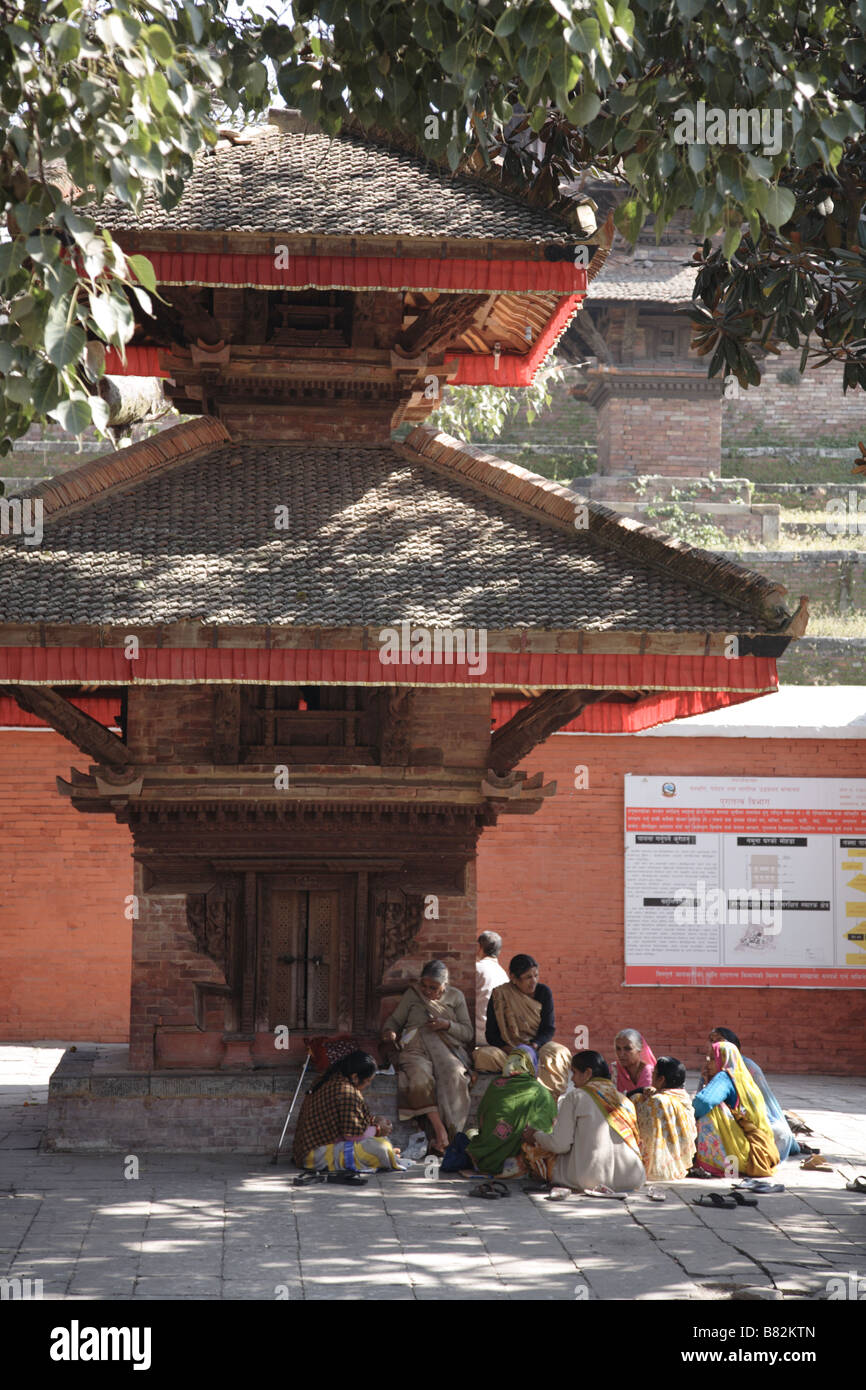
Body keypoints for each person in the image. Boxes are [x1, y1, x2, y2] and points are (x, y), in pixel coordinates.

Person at [521, 1050, 645, 1194]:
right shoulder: (625, 1101)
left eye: (573, 1072)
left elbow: (560, 1145)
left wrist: (536, 1135)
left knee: (536, 1153)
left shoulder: (576, 1097)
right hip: (633, 1177)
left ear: (587, 1073)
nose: (572, 1080)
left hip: (589, 1180)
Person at [381, 959, 473, 1154]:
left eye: (433, 987)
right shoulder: (413, 995)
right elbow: (395, 1020)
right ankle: (440, 1132)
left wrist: (446, 1025)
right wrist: (390, 1031)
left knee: (455, 1075)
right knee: (419, 1076)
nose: (427, 991)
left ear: (444, 986)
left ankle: (453, 1135)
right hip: (415, 1048)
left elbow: (468, 1033)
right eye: (424, 985)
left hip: (445, 1048)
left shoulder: (456, 997)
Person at [473, 953, 573, 1097]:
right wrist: (514, 1051)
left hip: (538, 1048)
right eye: (528, 977)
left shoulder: (543, 992)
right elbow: (491, 1035)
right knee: (482, 1055)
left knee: (558, 1053)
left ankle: (547, 1099)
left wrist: (534, 1046)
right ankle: (525, 1070)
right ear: (513, 978)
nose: (533, 981)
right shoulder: (499, 995)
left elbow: (548, 1028)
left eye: (536, 976)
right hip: (510, 1050)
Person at [291, 1051, 402, 1179]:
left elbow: (346, 1121)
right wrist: (377, 1129)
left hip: (307, 1151)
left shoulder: (330, 1078)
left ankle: (388, 1156)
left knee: (382, 1143)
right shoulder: (346, 1092)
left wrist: (373, 1122)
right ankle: (388, 1157)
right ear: (355, 1077)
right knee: (380, 1148)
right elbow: (353, 1136)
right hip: (316, 1155)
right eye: (367, 1081)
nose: (368, 1085)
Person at [464, 1045, 556, 1178]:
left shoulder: (496, 1084)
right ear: (531, 1065)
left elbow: (482, 1116)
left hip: (484, 1156)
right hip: (519, 1159)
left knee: (470, 1134)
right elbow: (547, 1128)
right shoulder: (540, 1091)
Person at [708, 1026, 799, 1161]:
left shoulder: (749, 1067)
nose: (715, 1044)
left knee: (781, 1134)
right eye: (711, 1040)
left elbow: (764, 1101)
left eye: (720, 1040)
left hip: (749, 1118)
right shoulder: (710, 1066)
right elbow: (704, 1099)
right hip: (726, 1120)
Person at [692, 1040, 779, 1178]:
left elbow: (703, 1102)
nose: (707, 1064)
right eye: (707, 1059)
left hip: (744, 1155)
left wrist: (686, 1118)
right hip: (763, 1151)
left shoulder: (725, 1076)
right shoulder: (743, 1078)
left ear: (724, 1060)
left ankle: (712, 1162)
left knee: (711, 1110)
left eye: (713, 1059)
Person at [634, 1056, 697, 1181]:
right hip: (682, 1161)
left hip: (658, 1166)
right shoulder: (684, 1097)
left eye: (654, 1073)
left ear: (661, 1079)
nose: (651, 1076)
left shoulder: (658, 1101)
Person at [475, 931, 509, 1046]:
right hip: (499, 1035)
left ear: (479, 947)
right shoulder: (503, 974)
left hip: (479, 1034)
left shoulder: (477, 969)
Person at [615, 1028, 657, 1097]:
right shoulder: (614, 1071)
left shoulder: (651, 1073)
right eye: (618, 1049)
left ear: (639, 1049)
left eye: (627, 1049)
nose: (621, 1054)